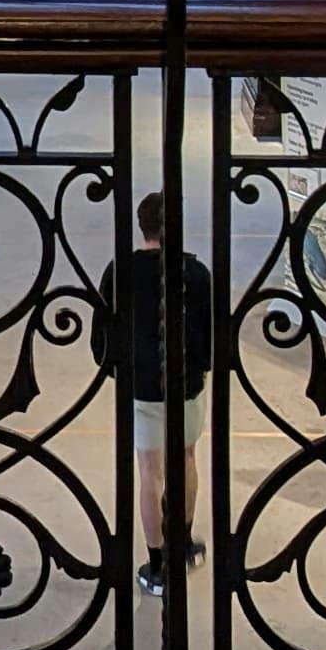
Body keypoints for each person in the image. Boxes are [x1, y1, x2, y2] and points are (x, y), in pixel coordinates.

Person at [93, 189, 213, 597]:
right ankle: (184, 541)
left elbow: (102, 335)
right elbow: (207, 338)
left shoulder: (120, 270)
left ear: (141, 226)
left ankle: (157, 563)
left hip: (141, 384)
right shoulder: (194, 273)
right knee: (187, 457)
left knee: (149, 471)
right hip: (186, 384)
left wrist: (120, 370)